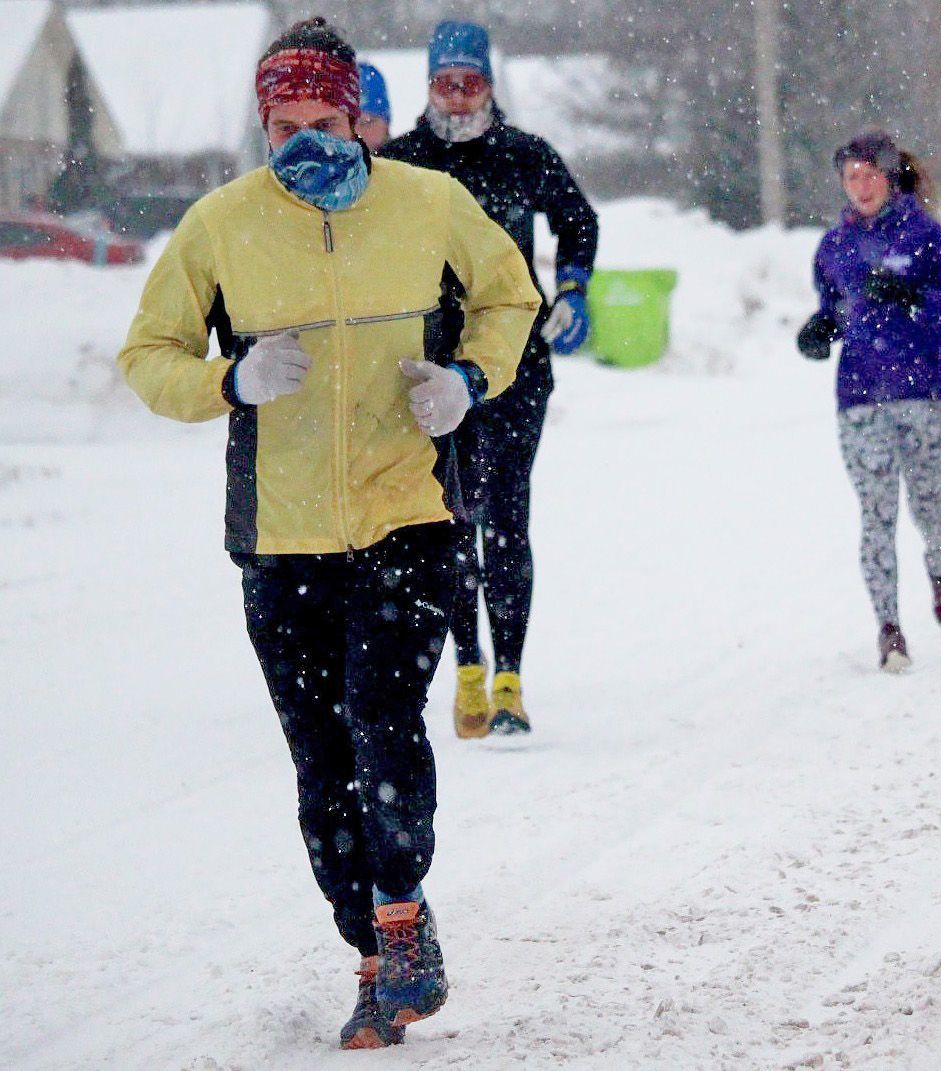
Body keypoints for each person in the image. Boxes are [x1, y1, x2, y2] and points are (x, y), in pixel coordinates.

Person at [115, 17, 540, 1049]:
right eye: (285, 122)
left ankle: (401, 916)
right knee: (320, 760)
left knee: (380, 722)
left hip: (406, 514)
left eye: (324, 119)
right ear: (265, 125)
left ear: (360, 118)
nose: (306, 138)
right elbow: (147, 354)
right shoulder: (221, 225)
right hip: (281, 535)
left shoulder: (429, 203)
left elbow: (509, 294)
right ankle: (374, 950)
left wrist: (468, 380)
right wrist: (230, 379)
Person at [382, 21, 598, 737]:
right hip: (431, 369)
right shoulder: (404, 162)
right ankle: (466, 668)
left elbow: (579, 219)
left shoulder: (523, 155)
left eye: (470, 81)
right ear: (429, 86)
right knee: (449, 524)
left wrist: (572, 288)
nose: (458, 94)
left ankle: (510, 677)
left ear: (490, 85)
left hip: (514, 369)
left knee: (506, 520)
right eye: (446, 81)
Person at [796, 131, 941, 672]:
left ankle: (940, 563)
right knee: (876, 514)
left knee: (925, 503)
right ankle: (889, 629)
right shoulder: (834, 247)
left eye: (870, 173)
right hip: (859, 396)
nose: (861, 185)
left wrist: (915, 299)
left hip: (926, 391)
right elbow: (833, 309)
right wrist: (819, 330)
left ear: (891, 175)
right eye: (851, 176)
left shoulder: (926, 237)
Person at [356, 61, 392, 151]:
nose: (358, 132)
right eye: (350, 124)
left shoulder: (410, 160)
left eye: (367, 122)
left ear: (386, 124)